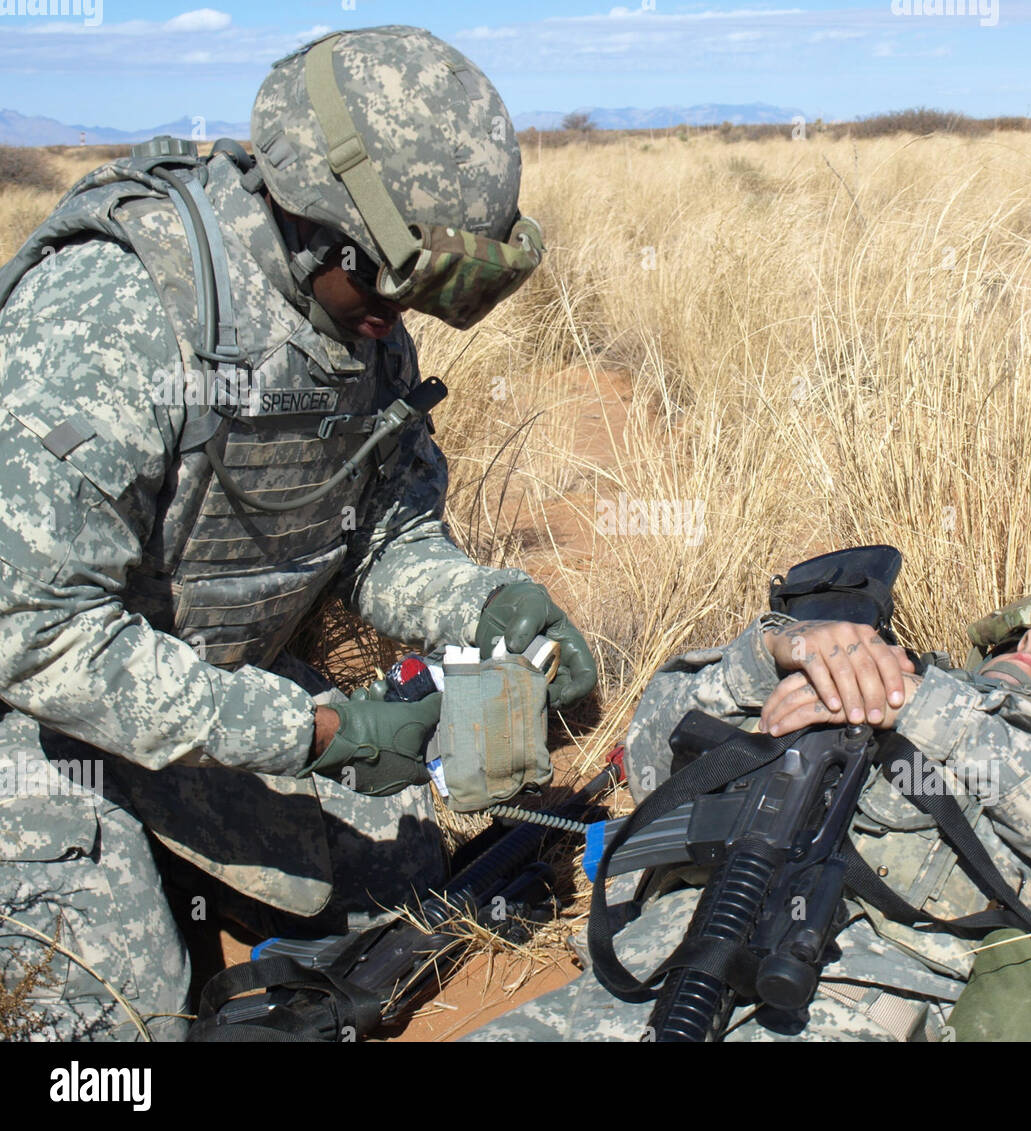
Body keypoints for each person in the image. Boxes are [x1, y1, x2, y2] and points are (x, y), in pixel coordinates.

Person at [0, 25, 595, 1041]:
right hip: (38, 719)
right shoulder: (119, 309)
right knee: (117, 1025)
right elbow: (37, 632)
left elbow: (384, 543)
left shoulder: (361, 325)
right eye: (384, 283)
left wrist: (488, 606)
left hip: (203, 692)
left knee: (405, 883)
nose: (400, 318)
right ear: (311, 225)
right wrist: (314, 733)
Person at [467, 584, 1031, 1042]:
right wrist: (773, 653)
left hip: (850, 1001)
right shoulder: (851, 664)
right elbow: (650, 756)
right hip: (664, 962)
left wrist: (924, 704)